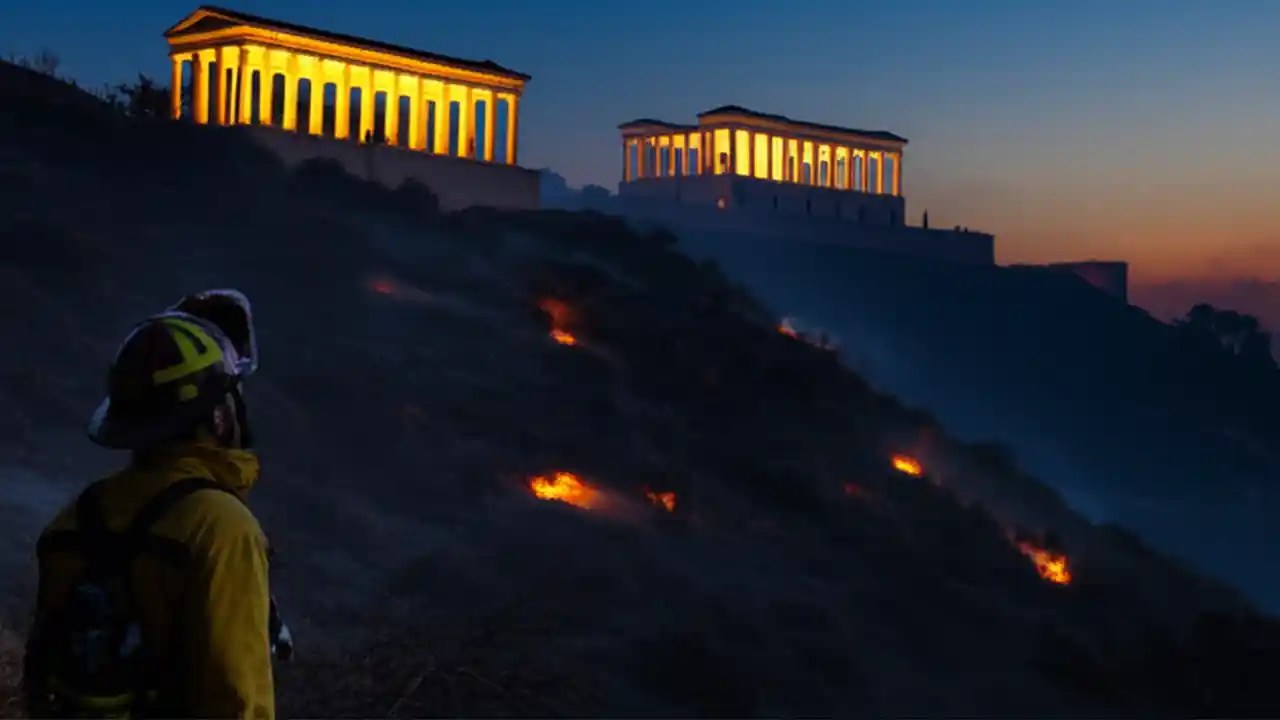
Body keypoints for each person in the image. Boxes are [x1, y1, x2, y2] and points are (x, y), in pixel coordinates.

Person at [23, 290, 279, 719]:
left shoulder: (71, 522)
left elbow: (41, 682)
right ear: (217, 416)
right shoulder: (221, 528)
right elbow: (237, 700)